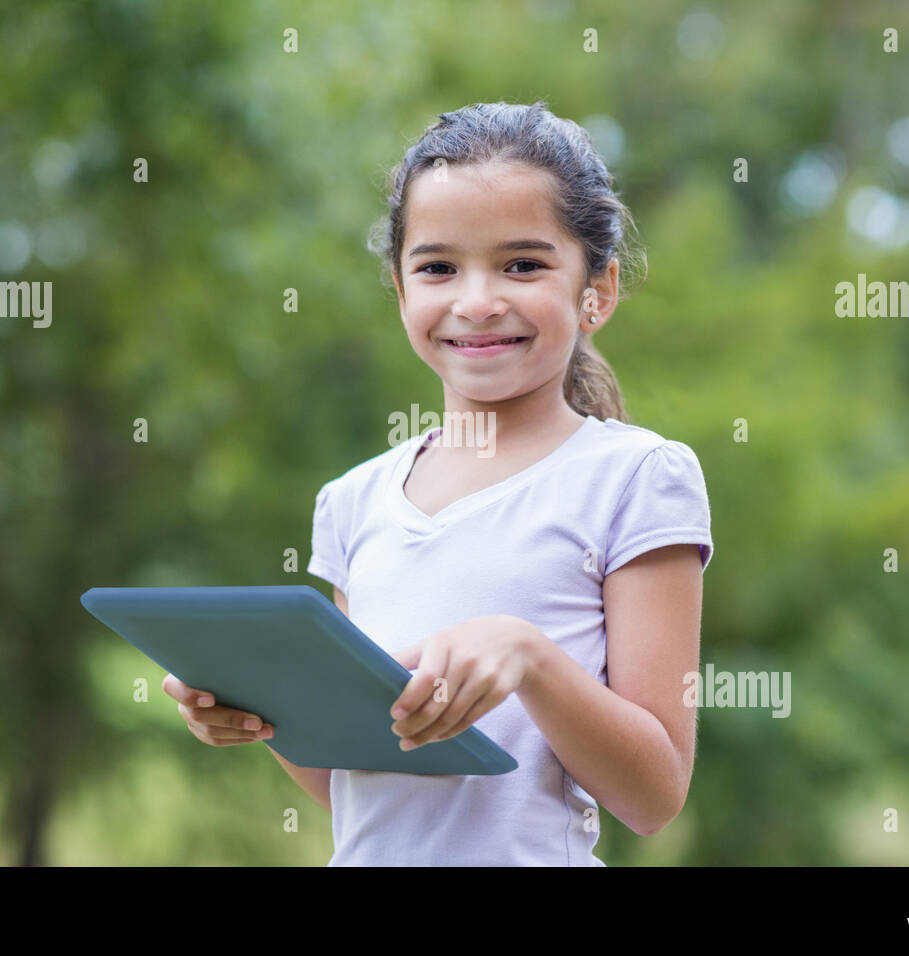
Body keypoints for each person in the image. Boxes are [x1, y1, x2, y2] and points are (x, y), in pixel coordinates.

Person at [165, 100, 713, 865]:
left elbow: (654, 795)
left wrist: (529, 656)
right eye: (437, 267)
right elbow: (359, 779)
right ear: (399, 288)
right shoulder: (352, 500)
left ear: (599, 290)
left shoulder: (636, 478)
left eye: (523, 264)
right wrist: (263, 709)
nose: (477, 300)